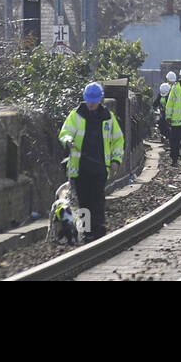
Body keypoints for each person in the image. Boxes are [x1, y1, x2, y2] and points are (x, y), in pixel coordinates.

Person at [58, 82, 125, 242]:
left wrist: (116, 160)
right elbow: (65, 132)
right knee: (83, 200)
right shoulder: (76, 115)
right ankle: (87, 232)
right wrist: (68, 141)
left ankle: (99, 228)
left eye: (94, 101)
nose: (91, 104)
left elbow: (118, 140)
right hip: (80, 167)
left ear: (100, 99)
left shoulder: (108, 117)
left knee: (97, 198)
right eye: (89, 100)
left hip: (100, 166)